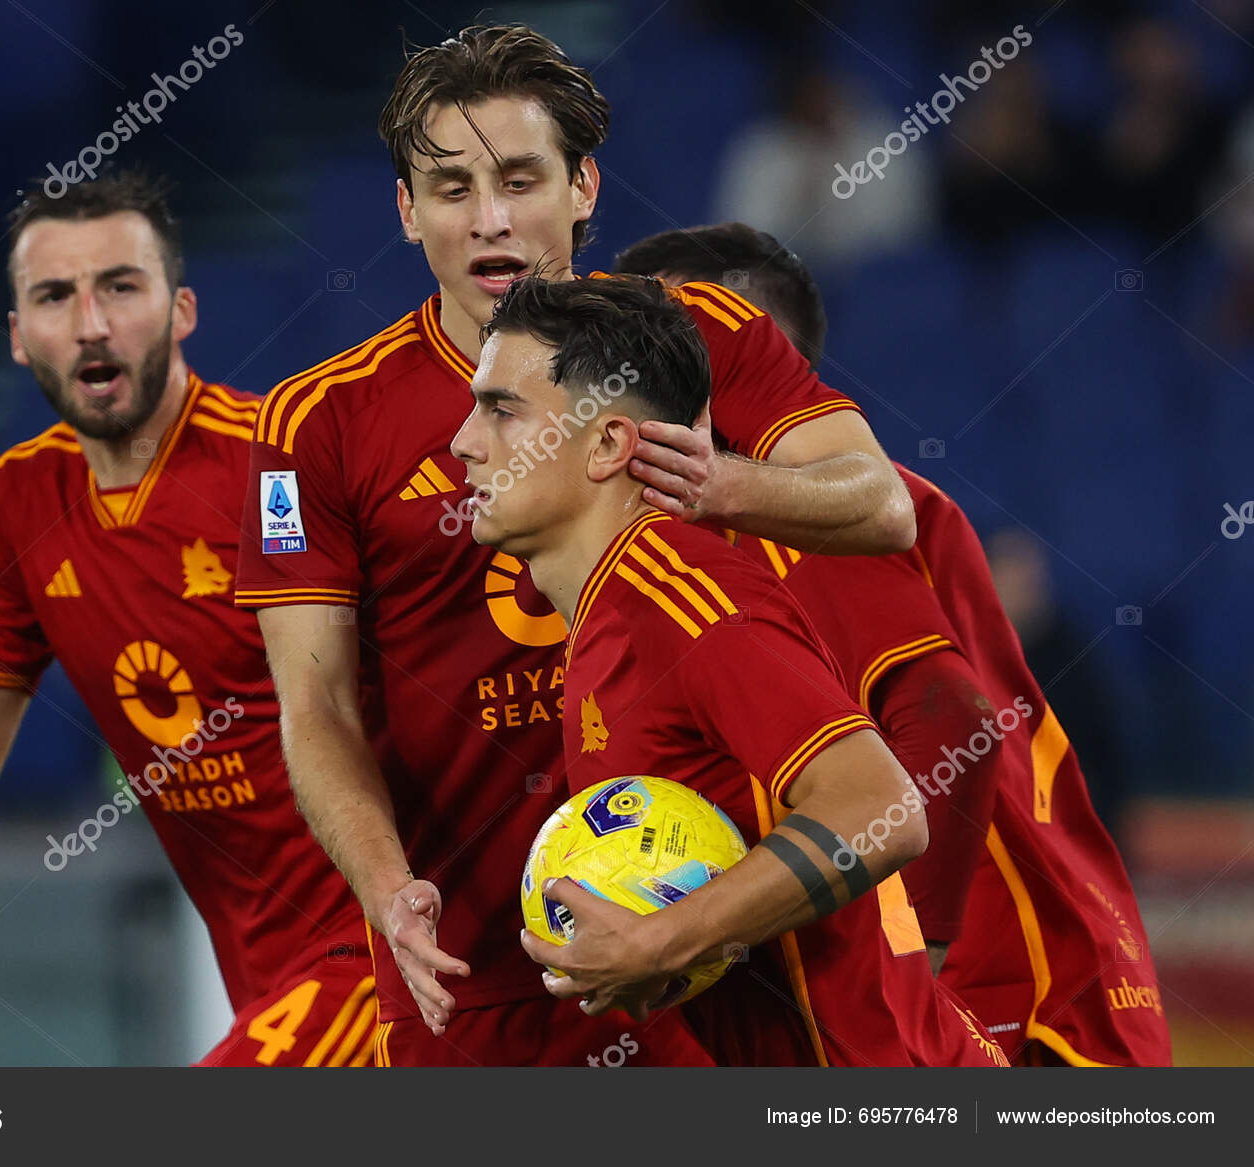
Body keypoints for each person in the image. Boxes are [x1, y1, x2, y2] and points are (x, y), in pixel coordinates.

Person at [235, 23, 917, 1066]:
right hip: (473, 974)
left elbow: (879, 504)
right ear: (408, 211)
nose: (493, 221)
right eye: (453, 190)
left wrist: (722, 482)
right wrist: (384, 886)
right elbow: (314, 706)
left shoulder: (695, 336)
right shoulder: (312, 425)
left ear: (583, 187)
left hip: (708, 950)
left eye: (521, 178)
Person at [613, 222, 1172, 1066]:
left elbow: (955, 721)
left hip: (1010, 1008)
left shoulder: (780, 517)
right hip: (1065, 978)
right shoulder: (825, 506)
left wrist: (911, 971)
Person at [0, 170, 375, 1067]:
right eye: (55, 297)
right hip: (264, 975)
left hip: (382, 940)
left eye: (120, 286)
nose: (92, 323)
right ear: (20, 338)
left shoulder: (276, 470)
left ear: (182, 310)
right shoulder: (19, 502)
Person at [451, 273, 1005, 1066]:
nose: (463, 441)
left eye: (502, 410)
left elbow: (882, 806)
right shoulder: (612, 614)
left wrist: (660, 939)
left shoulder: (680, 592)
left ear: (608, 444)